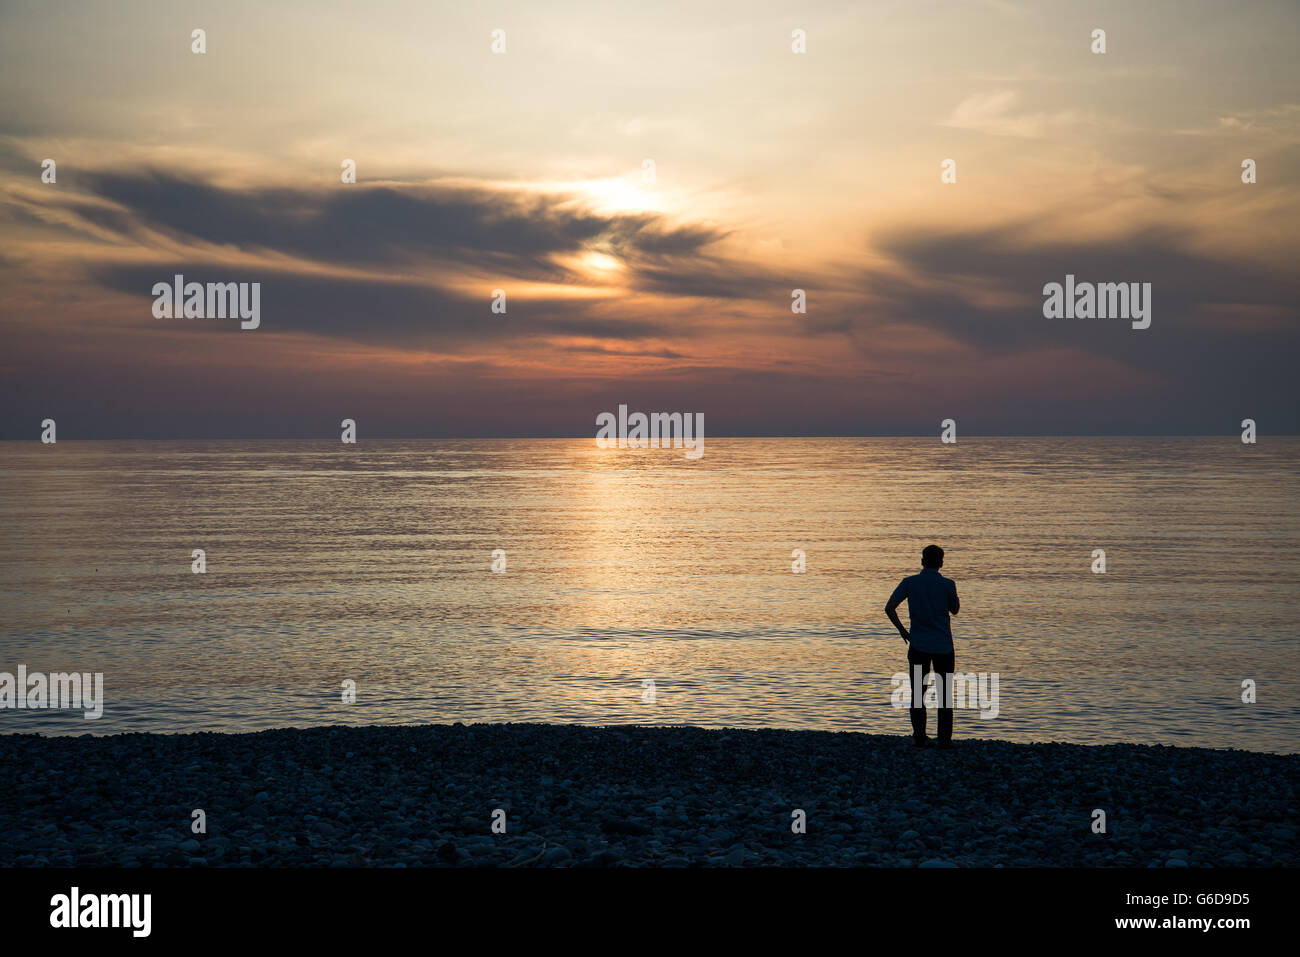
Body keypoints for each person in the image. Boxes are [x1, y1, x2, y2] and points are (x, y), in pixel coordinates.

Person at [885, 544, 960, 749]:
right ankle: (944, 740)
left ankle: (919, 737)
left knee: (918, 693)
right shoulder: (948, 584)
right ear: (941, 562)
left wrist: (902, 630)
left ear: (922, 561)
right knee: (945, 694)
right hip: (943, 646)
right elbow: (955, 609)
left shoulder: (910, 583)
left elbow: (889, 608)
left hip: (918, 645)